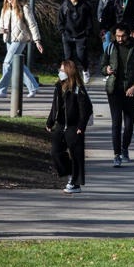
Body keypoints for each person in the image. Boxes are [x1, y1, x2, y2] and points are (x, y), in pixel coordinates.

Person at [101, 22, 134, 167]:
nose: (120, 39)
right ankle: (116, 155)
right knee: (116, 122)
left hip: (130, 90)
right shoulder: (111, 47)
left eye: (123, 36)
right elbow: (102, 66)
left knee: (128, 123)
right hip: (114, 89)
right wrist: (106, 70)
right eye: (117, 36)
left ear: (129, 35)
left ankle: (125, 148)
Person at [46, 60, 93, 193]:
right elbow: (54, 106)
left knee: (76, 154)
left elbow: (86, 109)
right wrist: (50, 122)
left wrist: (81, 126)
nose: (60, 73)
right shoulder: (58, 86)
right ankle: (71, 173)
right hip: (61, 125)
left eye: (62, 70)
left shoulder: (78, 88)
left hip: (74, 126)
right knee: (55, 152)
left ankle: (75, 183)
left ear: (69, 72)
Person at [0, 0, 43, 98]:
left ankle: (1, 90)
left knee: (7, 63)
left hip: (20, 40)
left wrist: (37, 41)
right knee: (17, 65)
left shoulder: (24, 8)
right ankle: (33, 87)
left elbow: (32, 25)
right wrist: (2, 30)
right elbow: (0, 25)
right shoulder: (5, 9)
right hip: (8, 39)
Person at [57, 0, 93, 84]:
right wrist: (63, 31)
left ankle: (85, 70)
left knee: (81, 56)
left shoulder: (85, 6)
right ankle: (66, 77)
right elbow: (60, 21)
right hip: (67, 35)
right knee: (67, 58)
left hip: (81, 36)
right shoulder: (64, 6)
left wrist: (87, 33)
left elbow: (89, 22)